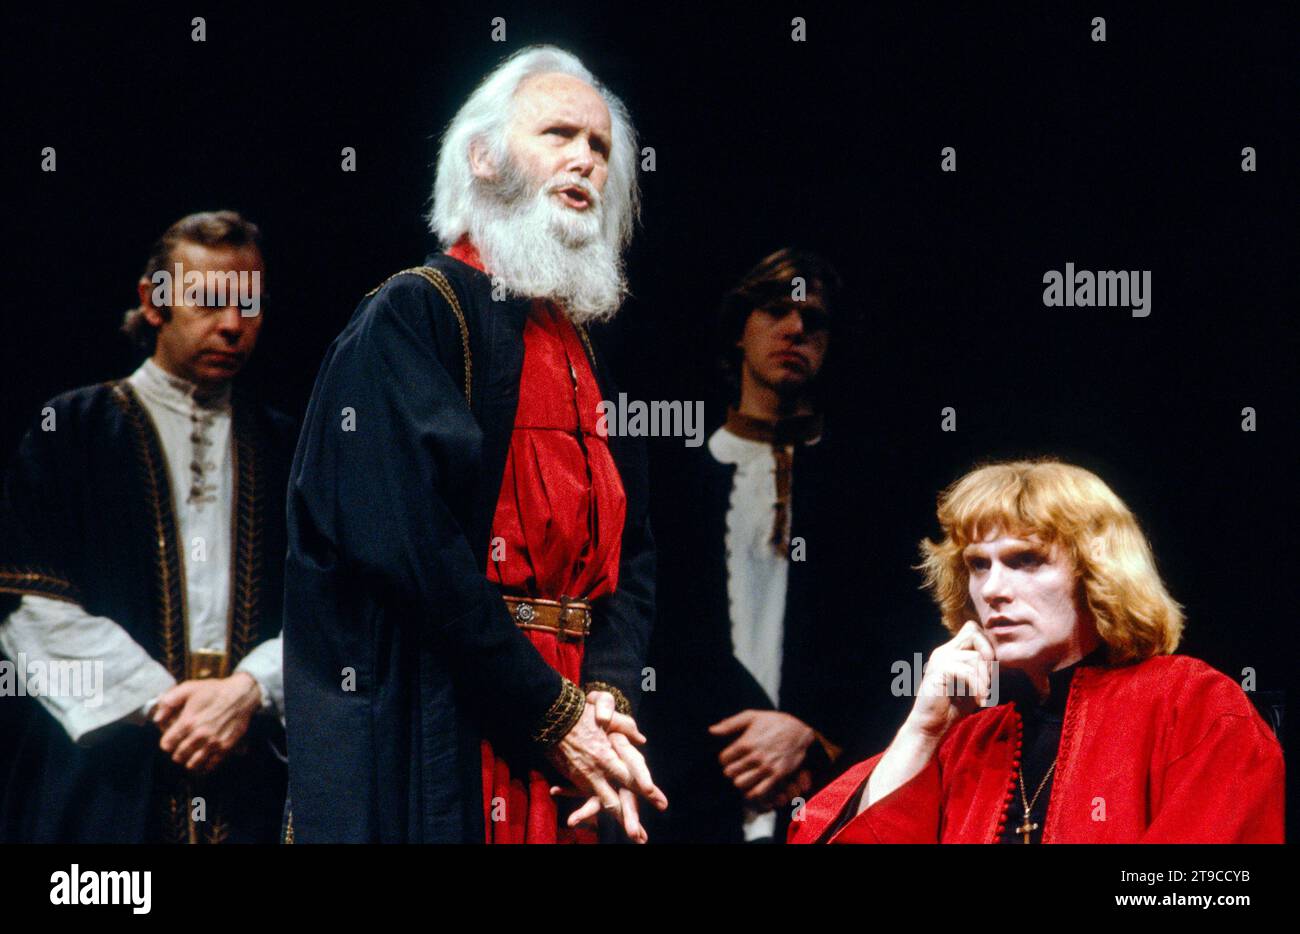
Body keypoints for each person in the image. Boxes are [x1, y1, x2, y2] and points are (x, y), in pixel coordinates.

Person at [283, 45, 665, 844]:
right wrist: (549, 711)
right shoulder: (414, 315)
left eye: (599, 146)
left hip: (567, 736)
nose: (585, 159)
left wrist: (606, 698)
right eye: (558, 133)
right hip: (451, 717)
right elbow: (415, 553)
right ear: (483, 158)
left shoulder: (586, 349)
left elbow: (631, 557)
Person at [790, 459, 1284, 843]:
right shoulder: (968, 741)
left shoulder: (1192, 703)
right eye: (978, 565)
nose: (993, 590)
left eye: (1025, 560)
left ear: (1096, 572)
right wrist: (922, 732)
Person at [0, 210, 294, 842]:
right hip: (103, 777)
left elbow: (330, 611)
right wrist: (177, 710)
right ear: (153, 301)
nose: (233, 326)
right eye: (209, 302)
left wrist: (248, 691)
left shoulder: (286, 445)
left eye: (251, 304)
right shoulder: (74, 430)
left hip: (251, 776)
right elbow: (30, 608)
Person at [643, 249, 884, 842]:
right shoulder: (676, 483)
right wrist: (741, 751)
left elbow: (887, 637)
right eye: (777, 310)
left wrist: (814, 734)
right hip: (694, 788)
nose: (796, 329)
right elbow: (659, 638)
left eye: (814, 319)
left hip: (828, 789)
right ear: (740, 330)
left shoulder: (868, 487)